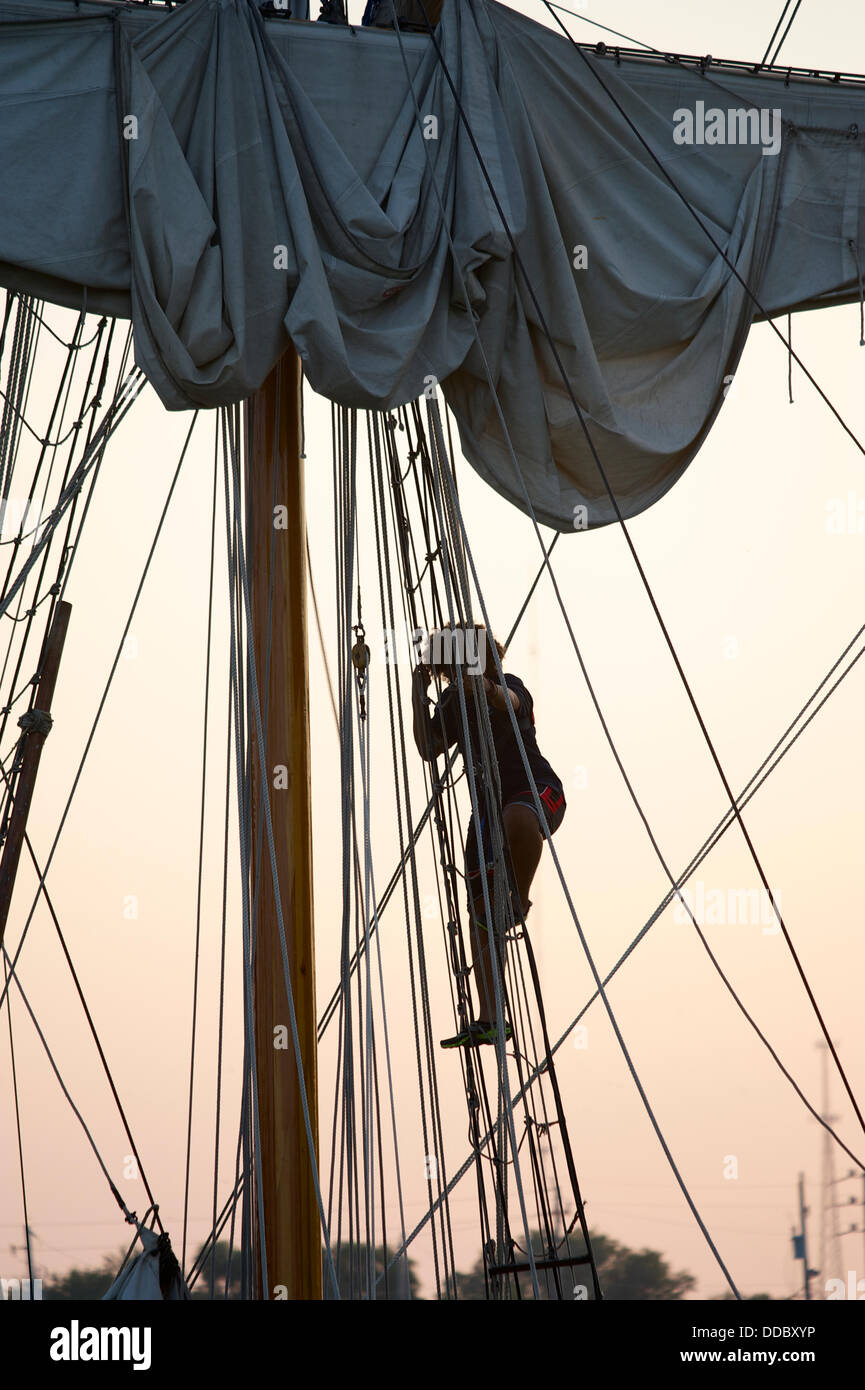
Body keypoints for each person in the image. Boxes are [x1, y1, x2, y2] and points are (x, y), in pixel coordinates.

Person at [411, 624, 566, 1049]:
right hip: (486, 815)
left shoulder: (508, 684)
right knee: (479, 915)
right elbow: (428, 746)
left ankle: (518, 896)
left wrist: (482, 685)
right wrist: (416, 690)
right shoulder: (451, 703)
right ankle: (490, 1017)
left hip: (535, 790)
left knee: (519, 817)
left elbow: (508, 701)